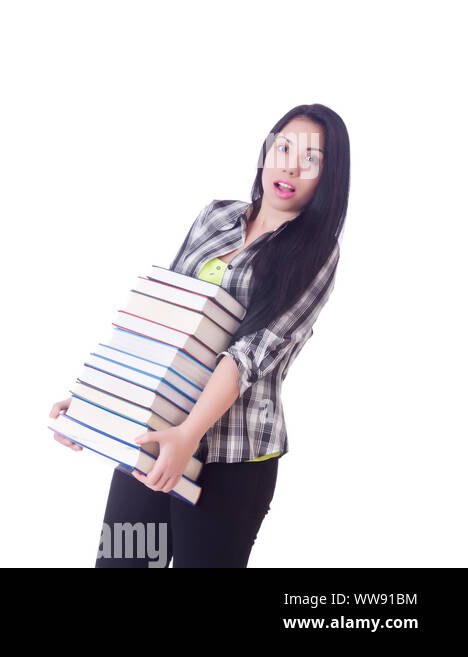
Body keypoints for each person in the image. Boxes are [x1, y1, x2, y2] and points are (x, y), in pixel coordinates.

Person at [49, 104, 349, 567]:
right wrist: (97, 402)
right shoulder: (216, 216)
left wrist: (189, 434)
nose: (290, 165)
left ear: (328, 177)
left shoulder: (315, 255)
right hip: (152, 438)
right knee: (121, 564)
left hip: (232, 459)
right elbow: (161, 319)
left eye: (311, 158)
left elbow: (249, 355)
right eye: (283, 147)